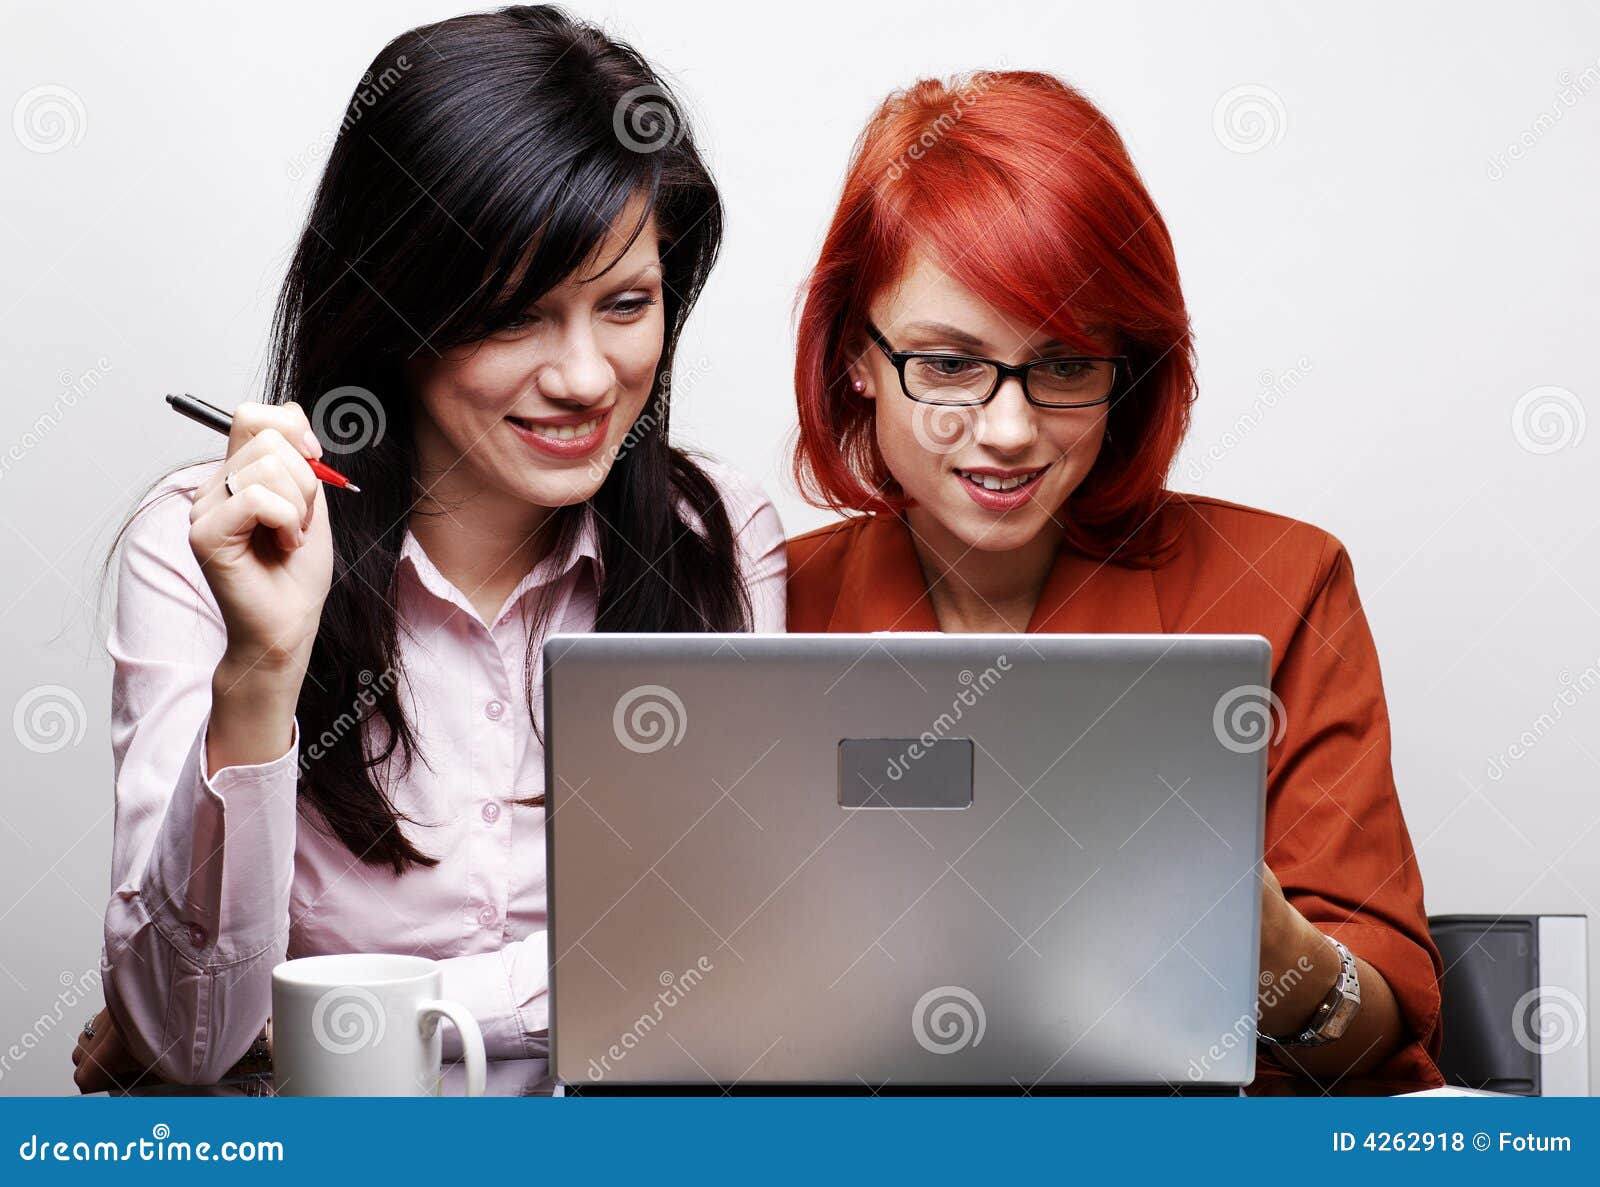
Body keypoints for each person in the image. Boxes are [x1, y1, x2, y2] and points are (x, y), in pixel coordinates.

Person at [73, 5, 784, 1091]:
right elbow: (184, 1035)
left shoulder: (716, 537)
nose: (587, 376)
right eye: (516, 316)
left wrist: (333, 1014)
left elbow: (729, 959)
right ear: (393, 309)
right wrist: (261, 669)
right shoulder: (204, 544)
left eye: (626, 303)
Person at [785, 70, 1442, 1093]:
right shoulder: (756, 602)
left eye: (1062, 366)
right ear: (855, 357)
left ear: (1126, 369)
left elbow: (1378, 1048)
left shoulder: (1283, 586)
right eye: (950, 364)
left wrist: (1278, 955)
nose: (1007, 430)